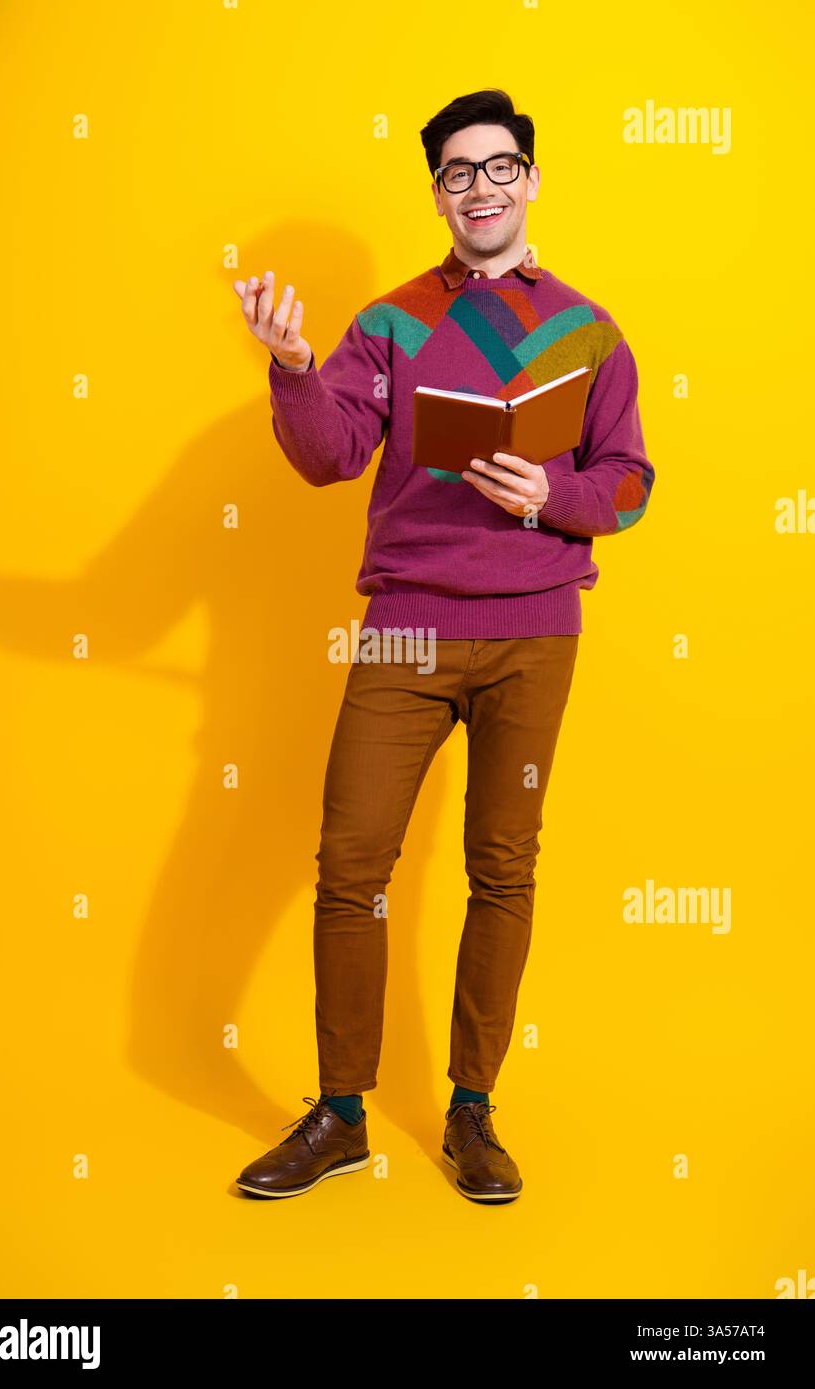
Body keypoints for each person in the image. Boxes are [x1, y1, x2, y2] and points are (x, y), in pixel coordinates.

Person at [231, 87, 655, 1202]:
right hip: (406, 630)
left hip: (534, 634)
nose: (480, 187)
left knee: (501, 870)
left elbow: (627, 481)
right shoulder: (388, 323)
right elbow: (328, 456)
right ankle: (339, 1112)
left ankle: (472, 1111)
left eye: (498, 165)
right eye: (457, 171)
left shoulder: (587, 329)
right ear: (436, 192)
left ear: (529, 178)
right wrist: (287, 367)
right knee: (350, 866)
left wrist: (548, 494)